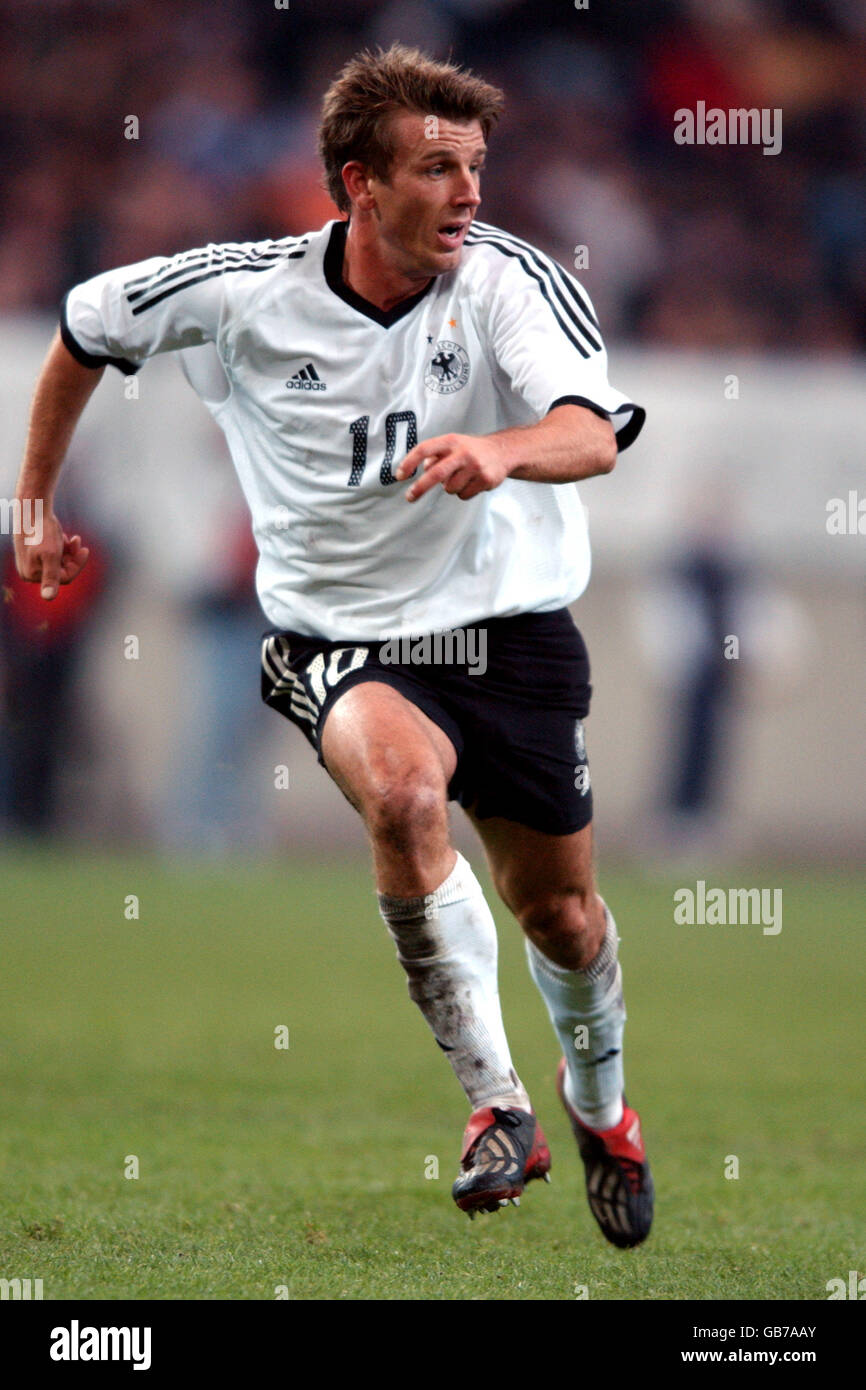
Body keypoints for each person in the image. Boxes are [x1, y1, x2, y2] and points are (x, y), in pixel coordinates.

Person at [14, 44, 652, 1246]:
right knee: (404, 797)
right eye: (435, 168)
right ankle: (491, 1103)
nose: (467, 192)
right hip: (338, 638)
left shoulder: (510, 281)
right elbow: (83, 328)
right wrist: (31, 505)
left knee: (560, 917)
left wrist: (500, 451)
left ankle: (602, 1109)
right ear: (357, 183)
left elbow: (592, 432)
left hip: (509, 630)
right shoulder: (242, 287)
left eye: (475, 166)